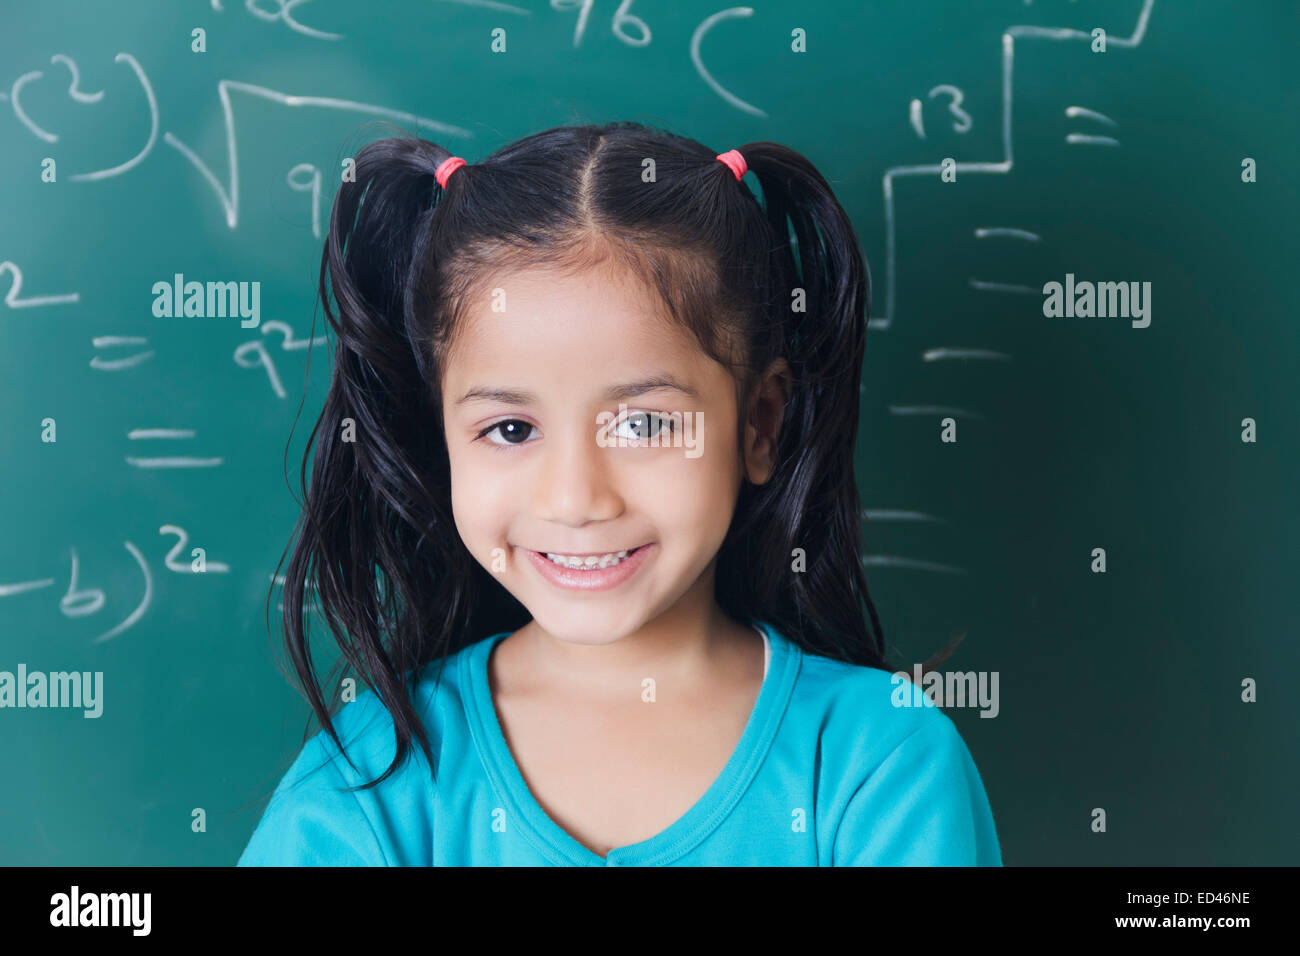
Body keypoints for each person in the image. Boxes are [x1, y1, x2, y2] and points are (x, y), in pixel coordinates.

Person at [238, 121, 1002, 866]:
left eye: (642, 425)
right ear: (442, 435)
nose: (575, 498)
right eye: (509, 430)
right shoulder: (369, 783)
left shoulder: (878, 767)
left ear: (759, 426)